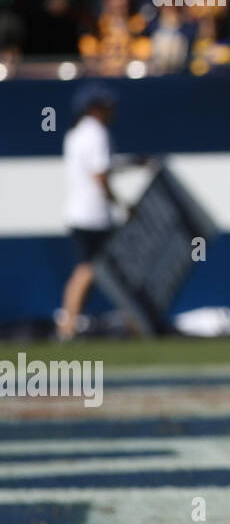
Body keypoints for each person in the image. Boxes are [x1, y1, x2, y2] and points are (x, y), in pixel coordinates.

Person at [58, 84, 120, 340]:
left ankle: (68, 324)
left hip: (79, 212)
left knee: (88, 268)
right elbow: (99, 175)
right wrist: (120, 202)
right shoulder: (96, 133)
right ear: (96, 108)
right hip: (93, 214)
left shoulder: (74, 135)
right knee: (89, 269)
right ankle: (68, 325)